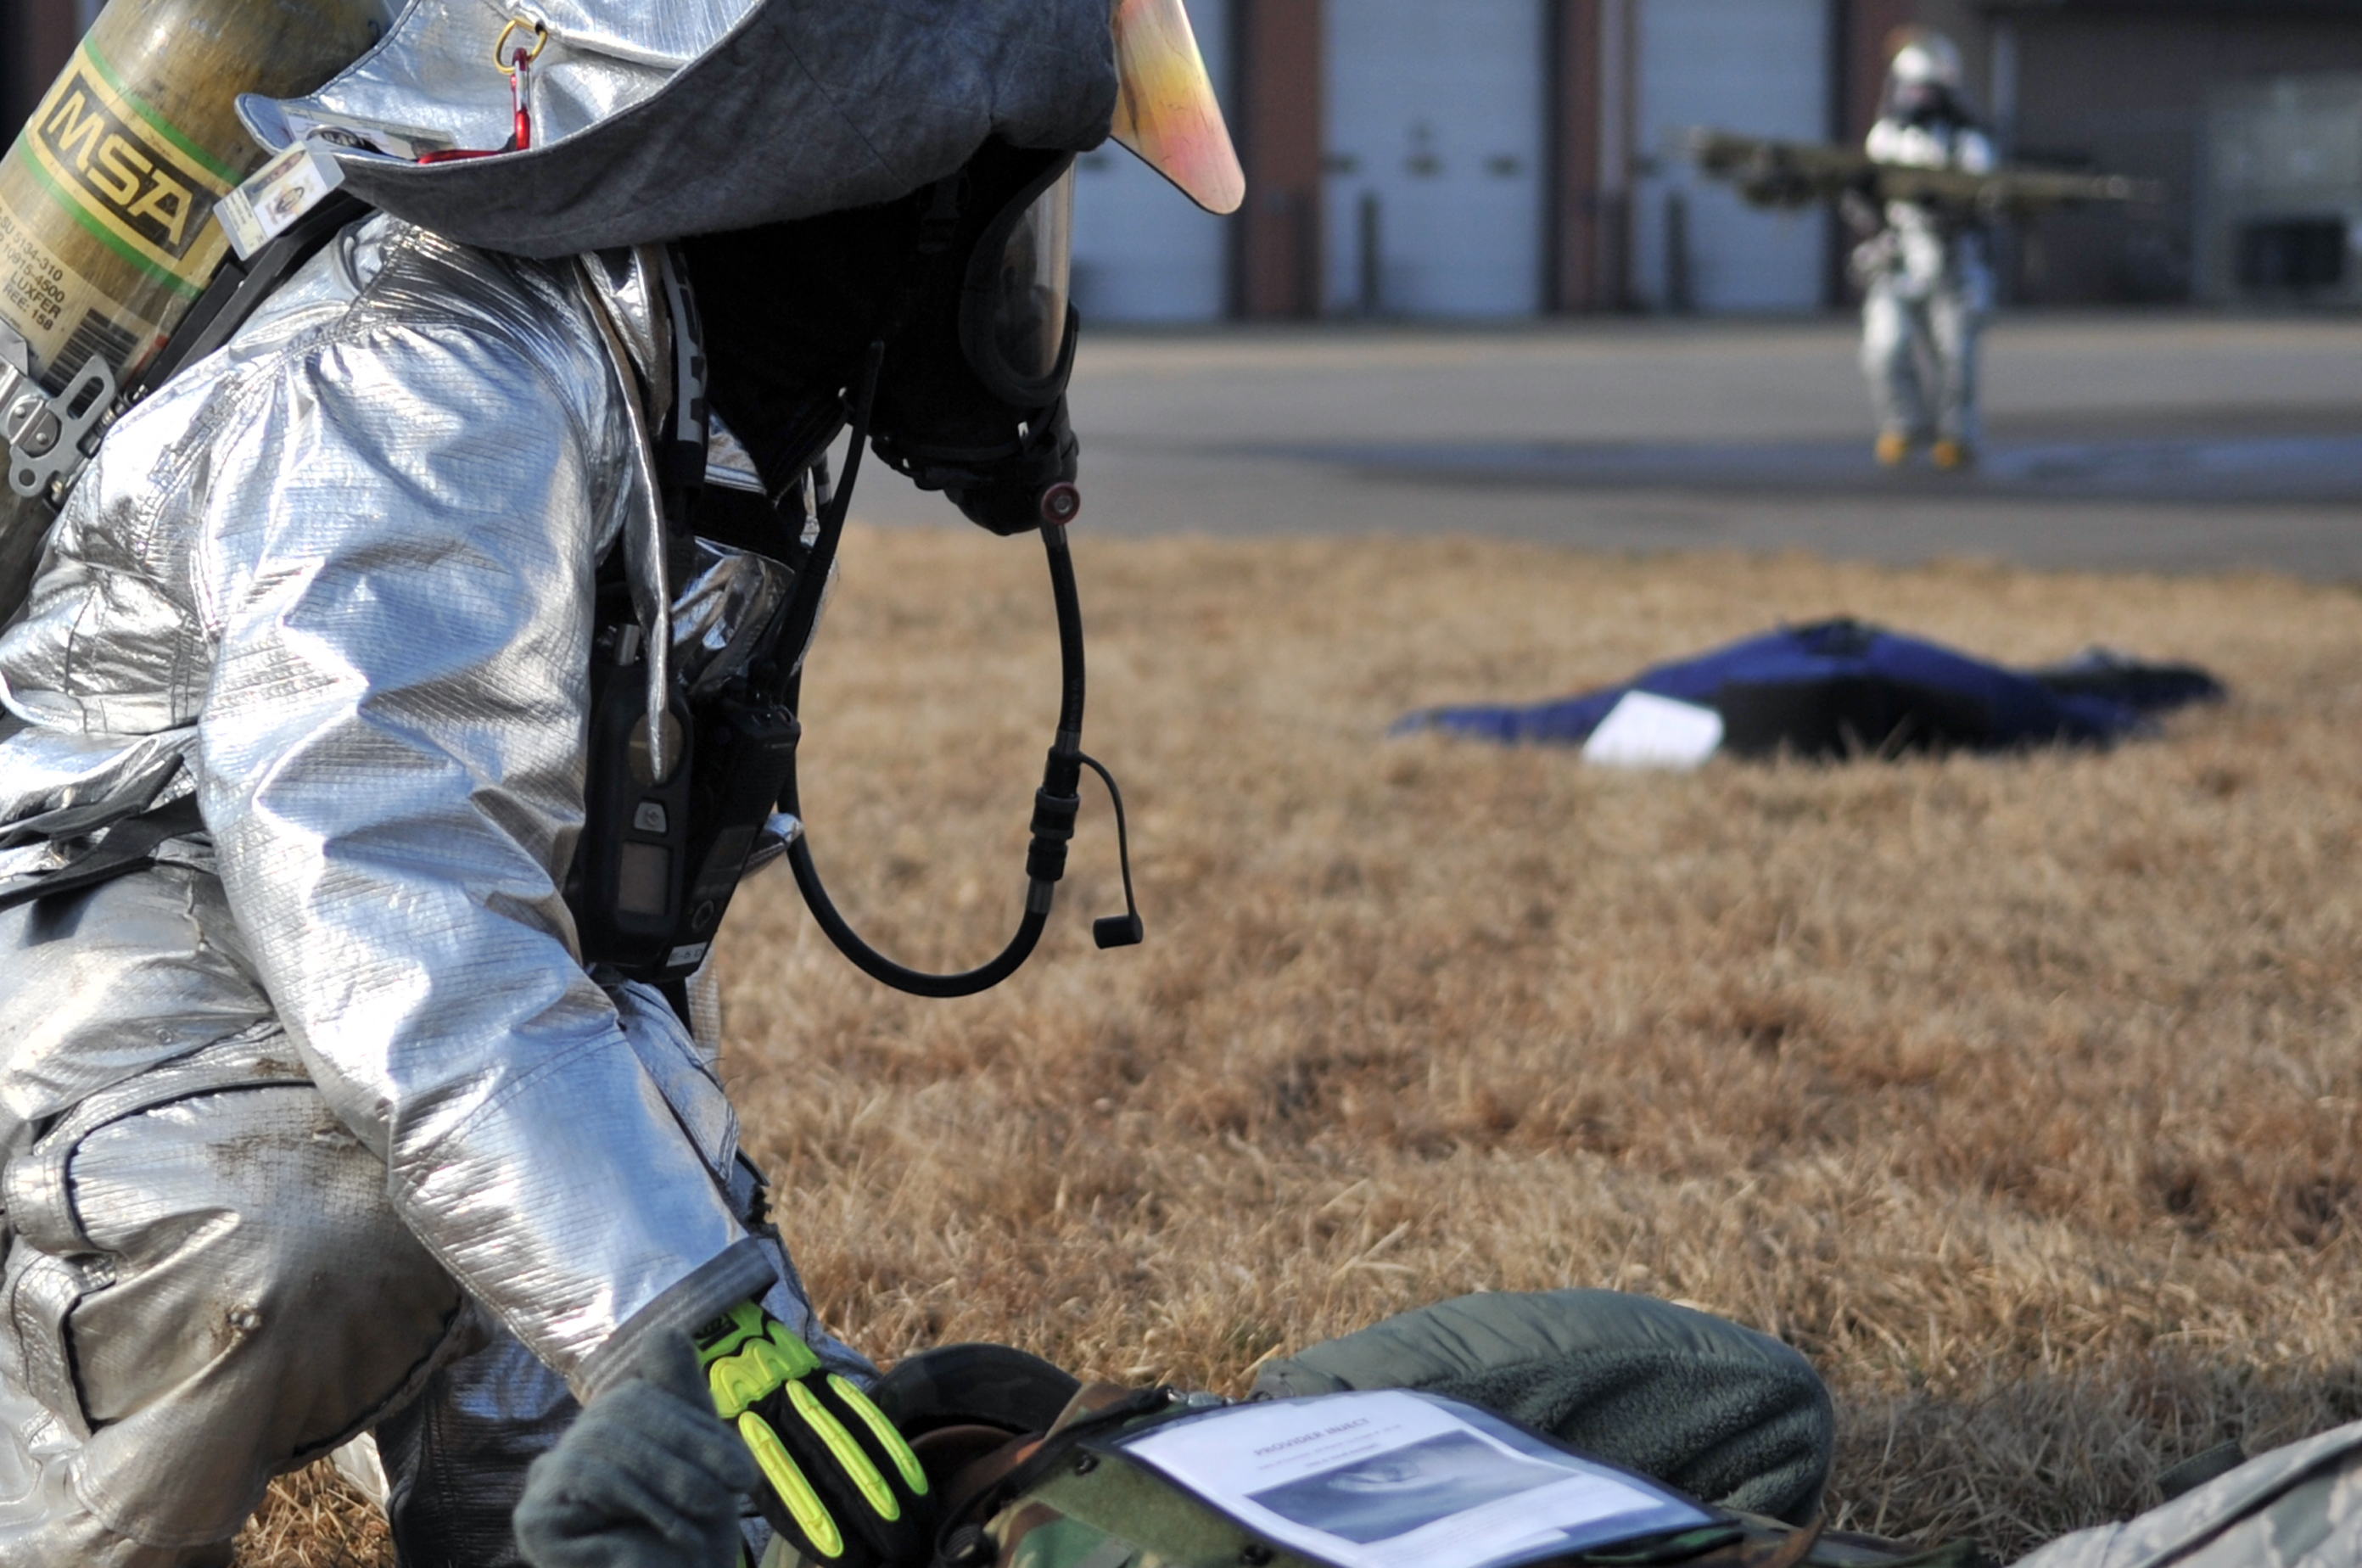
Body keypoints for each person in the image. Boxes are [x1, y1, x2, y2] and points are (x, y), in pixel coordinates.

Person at [0, 1, 1237, 1563]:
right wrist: (678, 1305)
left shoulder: (677, 402)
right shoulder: (414, 391)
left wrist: (734, 1320)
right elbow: (405, 922)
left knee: (637, 1427)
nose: (1001, 292)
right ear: (830, 179)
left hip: (319, 1021)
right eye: (984, 216)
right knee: (306, 1230)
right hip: (113, 1026)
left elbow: (605, 959)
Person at [1851, 31, 1995, 472]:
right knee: (1884, 348)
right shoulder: (1887, 135)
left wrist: (1950, 206)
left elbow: (1984, 198)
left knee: (1956, 355)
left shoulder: (1967, 142)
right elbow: (1864, 199)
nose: (1917, 98)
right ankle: (1903, 424)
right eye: (1910, 88)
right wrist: (1864, 204)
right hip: (1897, 255)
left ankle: (1956, 435)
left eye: (1926, 89)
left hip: (1953, 258)